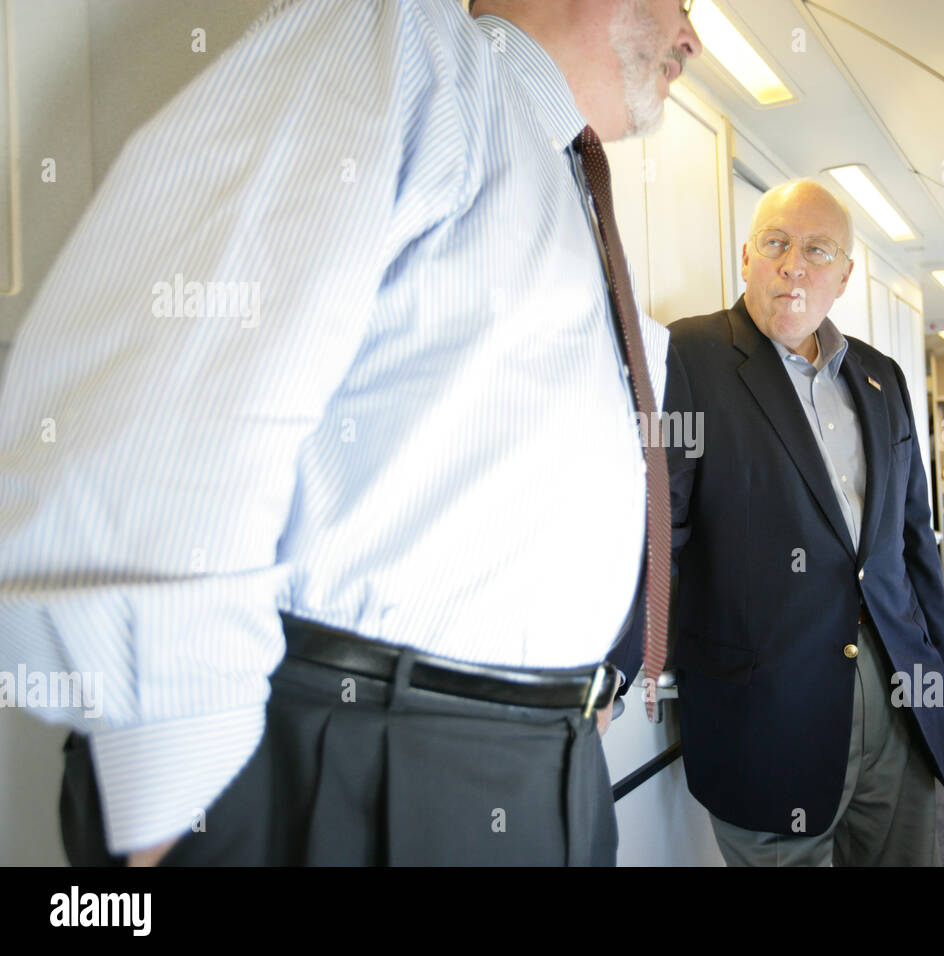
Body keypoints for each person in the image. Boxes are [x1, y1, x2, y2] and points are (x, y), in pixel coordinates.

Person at [0, 0, 700, 866]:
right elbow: (158, 404)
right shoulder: (399, 49)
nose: (691, 39)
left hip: (547, 772)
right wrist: (174, 812)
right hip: (348, 772)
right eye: (685, 3)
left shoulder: (576, 196)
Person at [664, 179, 944, 866]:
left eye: (816, 249)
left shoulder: (882, 376)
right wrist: (627, 664)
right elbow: (661, 531)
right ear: (747, 257)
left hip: (894, 689)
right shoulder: (689, 356)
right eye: (776, 243)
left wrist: (939, 674)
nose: (793, 264)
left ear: (844, 275)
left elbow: (913, 543)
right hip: (765, 704)